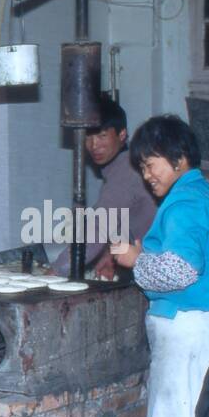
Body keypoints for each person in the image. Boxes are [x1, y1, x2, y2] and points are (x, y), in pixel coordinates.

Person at [111, 115, 209, 417]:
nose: (146, 176)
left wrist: (135, 259)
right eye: (141, 168)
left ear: (179, 159)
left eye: (150, 164)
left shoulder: (183, 204)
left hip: (187, 337)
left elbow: (181, 270)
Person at [49, 94, 157, 280]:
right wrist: (108, 253)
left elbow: (96, 231)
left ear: (122, 134)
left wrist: (54, 273)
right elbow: (123, 216)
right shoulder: (127, 164)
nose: (93, 145)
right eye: (88, 137)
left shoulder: (126, 172)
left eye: (102, 136)